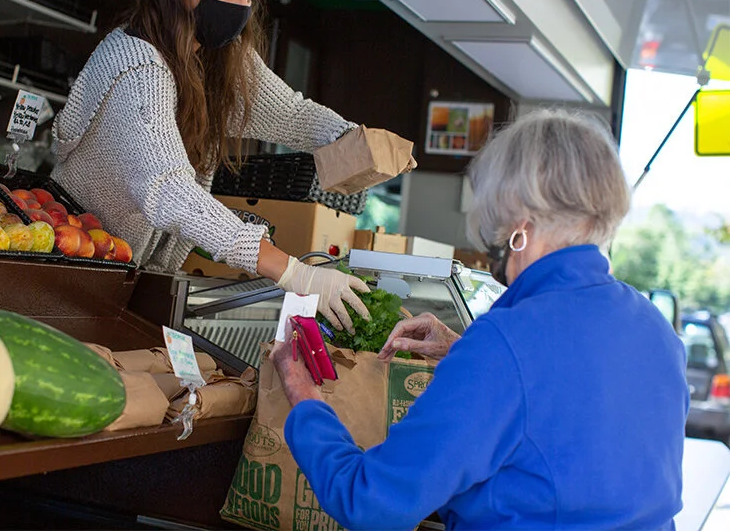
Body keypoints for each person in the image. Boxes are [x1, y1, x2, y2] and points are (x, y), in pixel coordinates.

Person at [271, 110, 689, 530]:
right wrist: (462, 350)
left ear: (519, 223)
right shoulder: (656, 329)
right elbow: (573, 411)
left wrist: (304, 395)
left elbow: (369, 502)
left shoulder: (506, 344)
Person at [50, 0, 396, 332]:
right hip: (76, 264)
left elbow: (290, 114)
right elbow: (170, 190)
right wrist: (295, 274)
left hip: (134, 275)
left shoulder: (218, 55)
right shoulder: (137, 66)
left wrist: (361, 143)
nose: (240, 10)